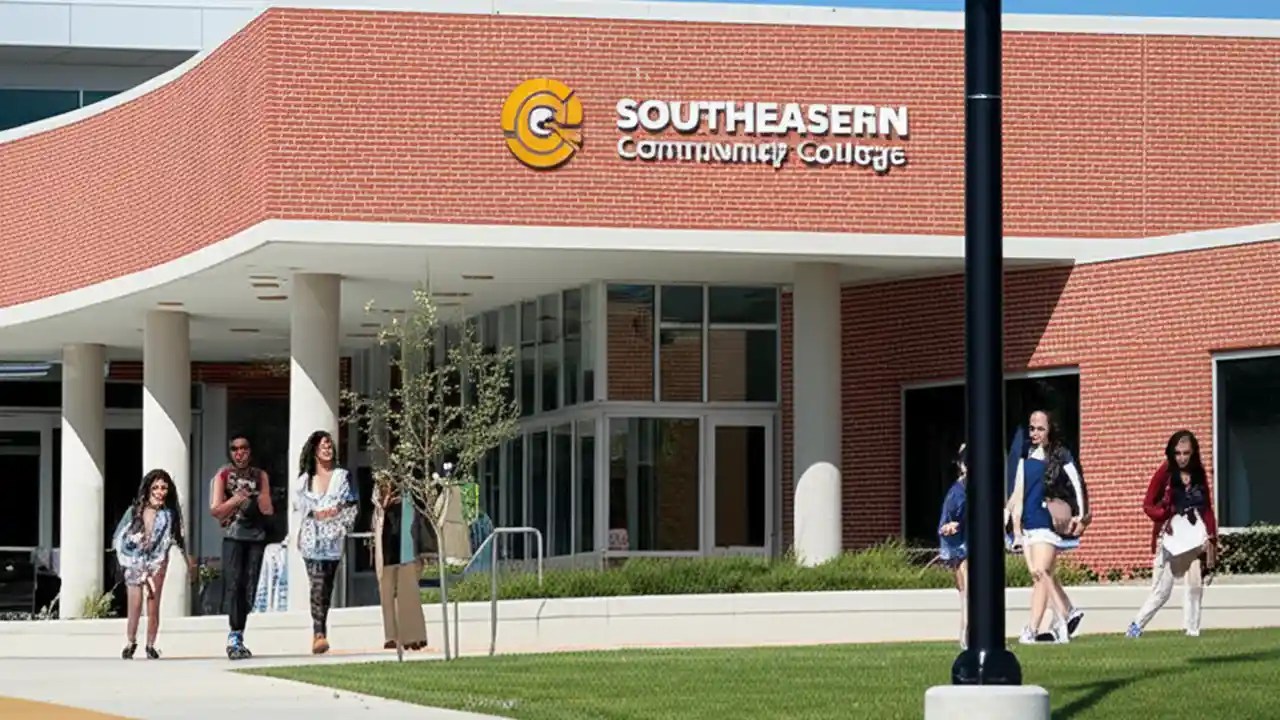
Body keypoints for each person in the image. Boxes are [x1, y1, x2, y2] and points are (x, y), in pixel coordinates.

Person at [1006, 409, 1089, 644]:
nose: (1035, 433)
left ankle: (1058, 620)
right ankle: (1053, 620)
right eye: (1032, 428)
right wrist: (1014, 527)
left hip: (1047, 521)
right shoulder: (1026, 457)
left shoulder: (1060, 455)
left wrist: (1081, 516)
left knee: (1042, 571)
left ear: (1050, 430)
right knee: (1039, 576)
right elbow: (1018, 496)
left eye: (1040, 428)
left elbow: (1077, 482)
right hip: (1029, 523)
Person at [1127, 429, 1219, 638]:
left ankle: (1192, 631)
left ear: (1193, 453)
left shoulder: (1198, 473)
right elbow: (1148, 505)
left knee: (1195, 583)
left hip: (1193, 536)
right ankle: (1135, 626)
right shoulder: (1165, 472)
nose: (1182, 458)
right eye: (1178, 453)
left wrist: (1212, 537)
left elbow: (1206, 508)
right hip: (1169, 537)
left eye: (1186, 453)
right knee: (1161, 591)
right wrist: (1165, 513)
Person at [209, 434, 274, 660]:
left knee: (250, 587)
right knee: (234, 585)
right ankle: (234, 635)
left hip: (255, 536)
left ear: (250, 451)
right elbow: (216, 509)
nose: (240, 453)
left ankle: (240, 632)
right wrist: (236, 500)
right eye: (235, 449)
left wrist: (257, 497)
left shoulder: (260, 475)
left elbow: (267, 509)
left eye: (244, 448)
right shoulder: (223, 475)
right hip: (233, 536)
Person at [294, 430, 358, 654]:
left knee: (326, 587)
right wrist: (314, 516)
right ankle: (318, 633)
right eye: (323, 446)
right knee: (317, 585)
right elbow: (299, 508)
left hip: (333, 539)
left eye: (330, 446)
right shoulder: (304, 481)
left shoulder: (342, 476)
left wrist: (338, 513)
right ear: (314, 451)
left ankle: (321, 628)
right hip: (312, 539)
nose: (327, 449)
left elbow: (352, 504)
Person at [112, 469, 186, 660]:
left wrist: (187, 561)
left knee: (154, 602)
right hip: (135, 558)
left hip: (158, 559)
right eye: (156, 488)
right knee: (134, 603)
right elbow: (120, 535)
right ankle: (131, 640)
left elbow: (177, 538)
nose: (160, 492)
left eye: (163, 488)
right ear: (148, 490)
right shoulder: (135, 511)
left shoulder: (169, 515)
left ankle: (151, 644)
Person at [373, 476, 435, 651]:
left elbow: (425, 514)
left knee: (410, 596)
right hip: (387, 551)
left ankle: (414, 637)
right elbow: (376, 512)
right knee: (387, 596)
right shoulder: (381, 488)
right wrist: (384, 502)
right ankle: (391, 637)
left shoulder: (414, 491)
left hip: (408, 550)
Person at [937, 443, 968, 650]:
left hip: (973, 540)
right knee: (966, 591)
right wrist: (949, 527)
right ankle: (966, 634)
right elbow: (944, 525)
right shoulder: (956, 493)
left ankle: (969, 634)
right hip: (961, 545)